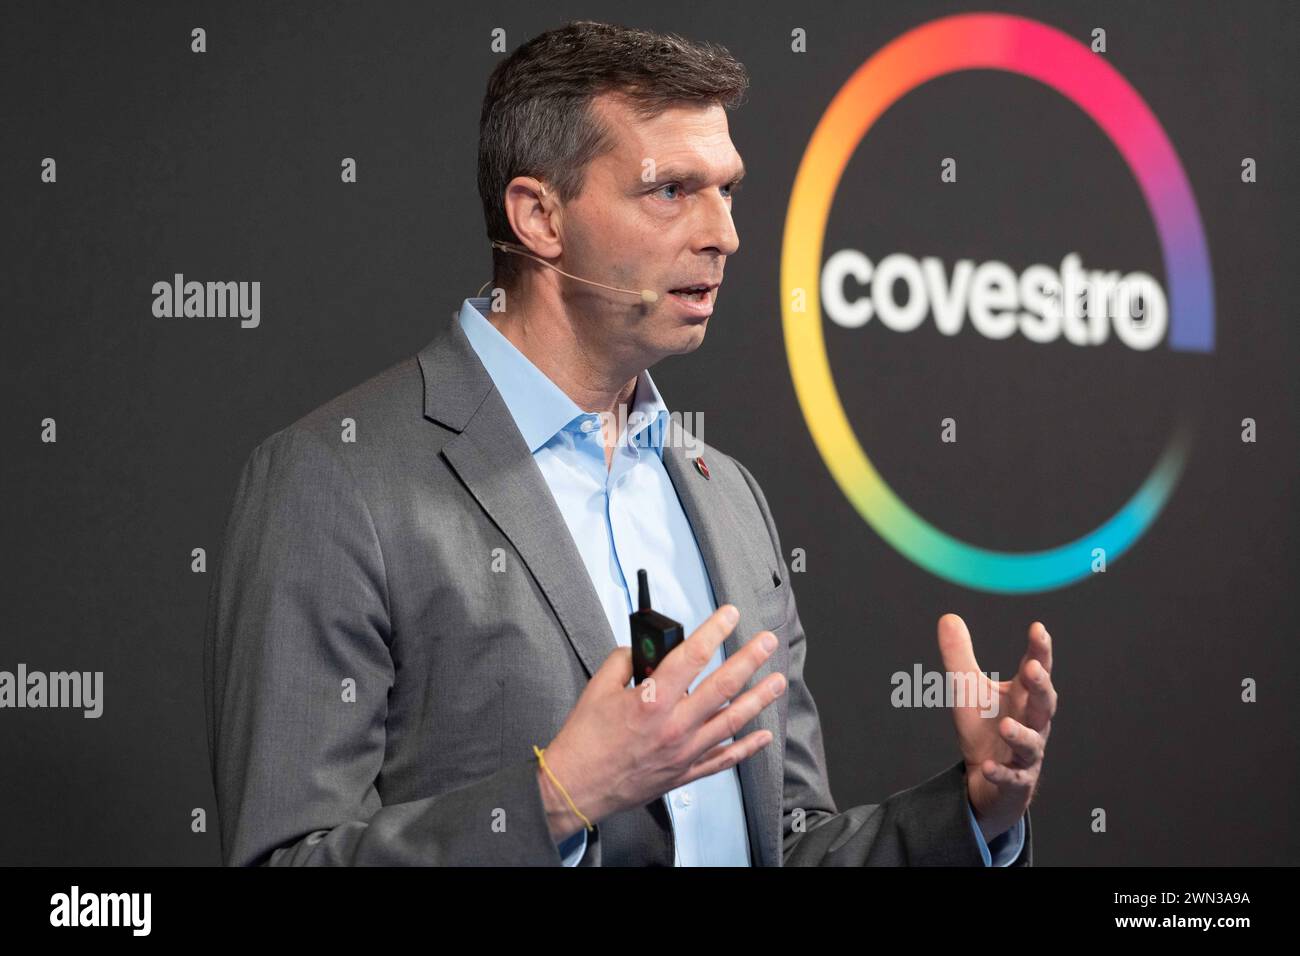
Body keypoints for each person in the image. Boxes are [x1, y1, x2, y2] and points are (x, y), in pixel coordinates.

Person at [203, 19, 1056, 867]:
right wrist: (557, 800)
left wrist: (974, 811)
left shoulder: (725, 492)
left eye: (729, 190)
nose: (724, 233)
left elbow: (786, 842)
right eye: (672, 191)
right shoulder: (336, 480)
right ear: (539, 216)